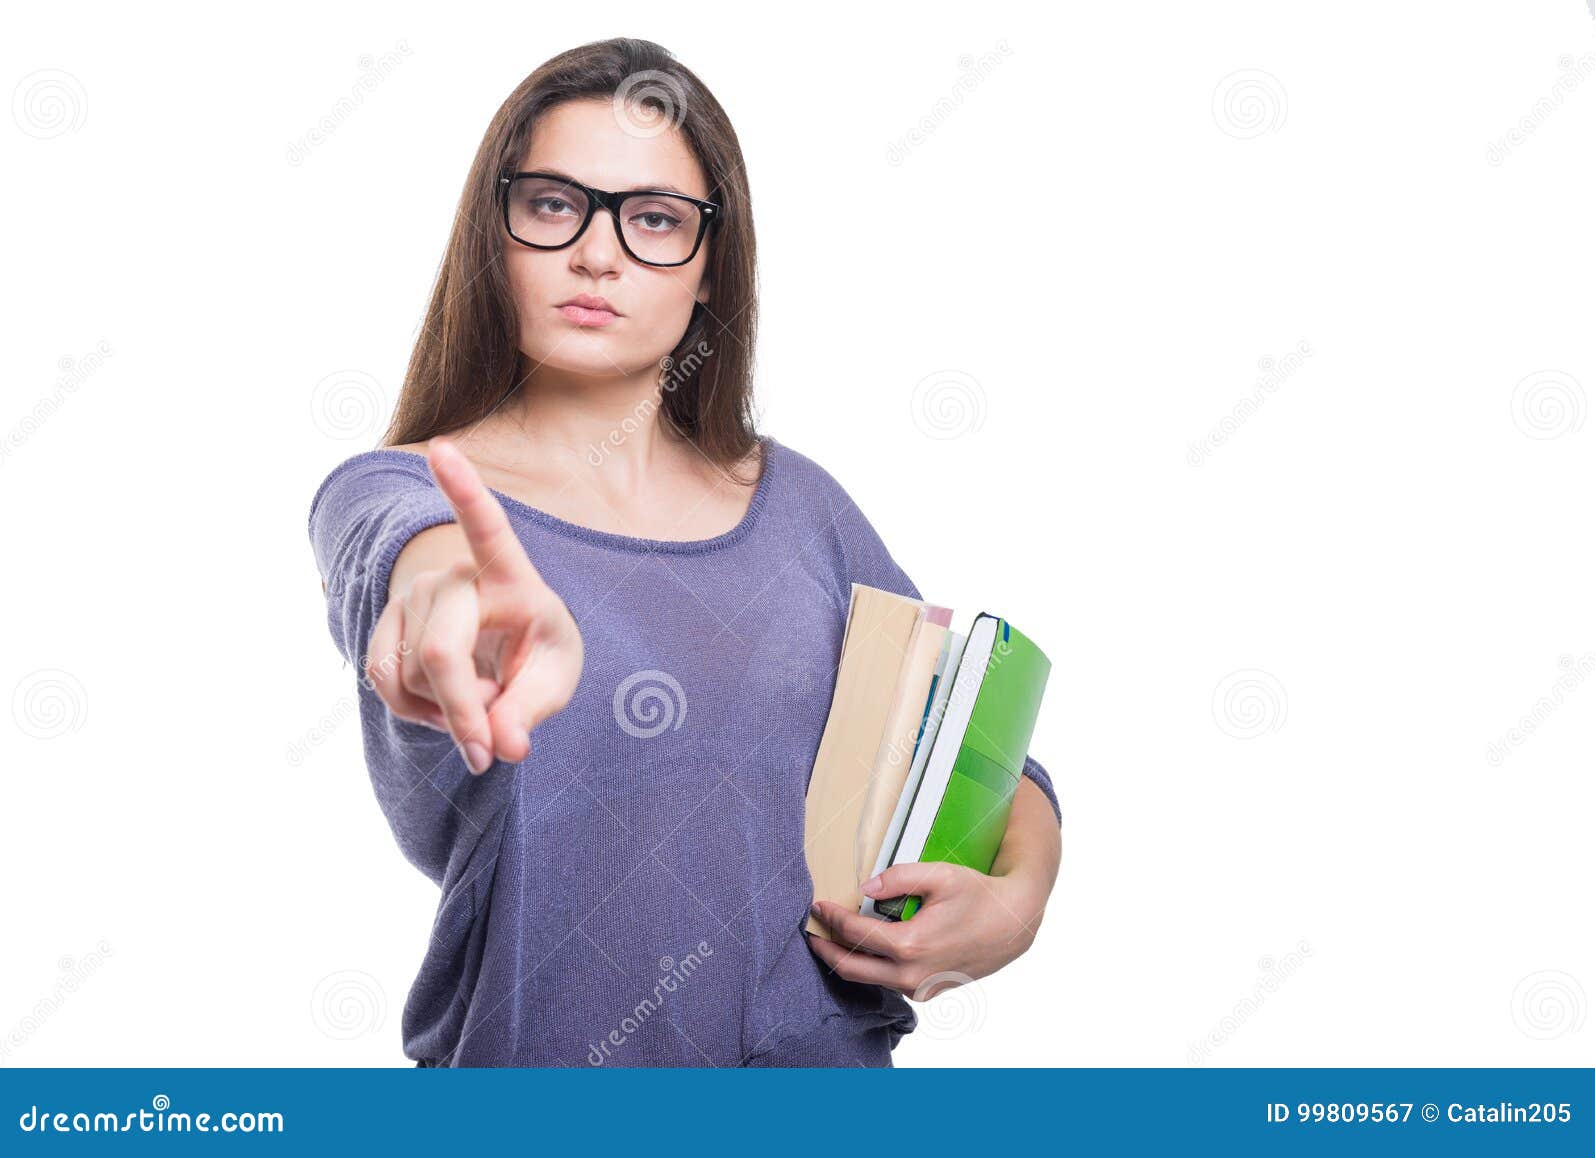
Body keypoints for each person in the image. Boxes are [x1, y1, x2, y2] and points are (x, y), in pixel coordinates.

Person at [307, 37, 1062, 1067]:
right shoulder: (405, 493)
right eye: (552, 205)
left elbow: (975, 752)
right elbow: (404, 559)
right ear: (495, 234)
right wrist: (451, 597)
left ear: (711, 264)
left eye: (655, 218)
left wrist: (1020, 896)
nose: (597, 254)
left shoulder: (802, 507)